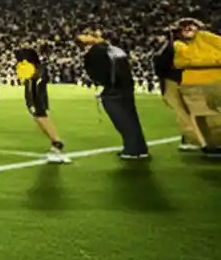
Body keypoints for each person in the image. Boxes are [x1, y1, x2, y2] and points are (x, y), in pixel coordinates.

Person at [78, 28, 150, 159]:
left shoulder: (97, 51)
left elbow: (99, 71)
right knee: (131, 117)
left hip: (112, 89)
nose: (81, 39)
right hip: (126, 87)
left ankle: (132, 150)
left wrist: (101, 85)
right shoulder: (115, 49)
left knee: (121, 119)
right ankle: (140, 148)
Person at [153, 24, 213, 153]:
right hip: (191, 81)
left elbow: (159, 63)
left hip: (174, 81)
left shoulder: (171, 46)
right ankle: (201, 138)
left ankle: (194, 140)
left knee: (183, 113)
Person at [171, 18, 221, 158]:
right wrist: (213, 61)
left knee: (207, 115)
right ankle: (208, 145)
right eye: (183, 27)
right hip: (193, 85)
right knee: (200, 115)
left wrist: (198, 62)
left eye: (190, 26)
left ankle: (208, 143)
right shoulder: (178, 45)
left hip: (212, 82)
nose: (187, 29)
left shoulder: (207, 38)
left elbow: (186, 61)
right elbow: (180, 62)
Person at [14, 48, 70, 164]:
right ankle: (55, 145)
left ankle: (57, 145)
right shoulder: (37, 68)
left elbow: (35, 86)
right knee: (40, 120)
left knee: (42, 119)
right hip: (37, 98)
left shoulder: (34, 69)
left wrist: (34, 103)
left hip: (36, 99)